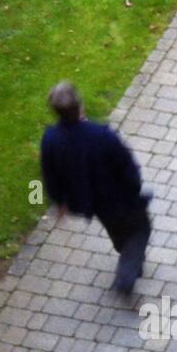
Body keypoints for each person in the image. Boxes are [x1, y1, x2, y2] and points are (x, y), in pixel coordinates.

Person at [40, 82, 152, 295]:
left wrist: (59, 201)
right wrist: (135, 186)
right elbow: (126, 164)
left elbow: (49, 173)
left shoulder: (51, 139)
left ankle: (127, 255)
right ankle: (126, 274)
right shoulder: (102, 135)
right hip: (121, 196)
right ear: (80, 106)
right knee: (140, 230)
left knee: (116, 231)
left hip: (93, 202)